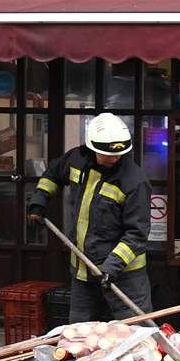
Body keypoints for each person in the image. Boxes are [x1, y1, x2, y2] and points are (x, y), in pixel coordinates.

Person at [27, 113, 152, 321]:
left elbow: (137, 234)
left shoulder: (134, 181)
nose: (114, 159)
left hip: (125, 277)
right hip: (83, 271)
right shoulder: (76, 160)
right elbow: (52, 175)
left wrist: (112, 266)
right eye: (107, 155)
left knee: (135, 333)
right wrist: (39, 201)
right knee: (79, 334)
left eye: (118, 155)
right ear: (92, 148)